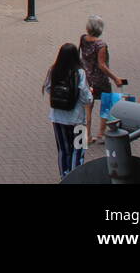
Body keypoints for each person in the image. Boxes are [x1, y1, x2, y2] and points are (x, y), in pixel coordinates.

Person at [44, 42, 92, 178]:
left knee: (64, 150)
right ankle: (75, 177)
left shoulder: (54, 70)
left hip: (58, 117)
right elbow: (85, 95)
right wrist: (89, 98)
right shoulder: (79, 72)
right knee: (79, 148)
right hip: (78, 119)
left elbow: (48, 88)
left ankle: (64, 176)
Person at [79, 15, 125, 145]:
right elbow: (102, 65)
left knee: (88, 106)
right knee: (106, 104)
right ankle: (101, 133)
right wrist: (115, 78)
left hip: (86, 78)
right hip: (100, 79)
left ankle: (87, 136)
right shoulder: (101, 45)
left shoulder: (83, 39)